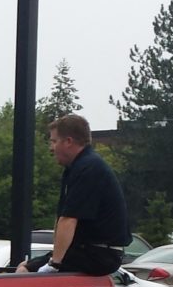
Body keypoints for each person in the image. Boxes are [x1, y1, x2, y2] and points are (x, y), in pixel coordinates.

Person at [16, 114, 129, 276]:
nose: (51, 147)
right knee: (25, 266)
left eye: (54, 141)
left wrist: (54, 264)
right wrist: (52, 260)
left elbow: (68, 219)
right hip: (92, 251)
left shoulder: (88, 168)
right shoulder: (78, 168)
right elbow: (62, 219)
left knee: (25, 272)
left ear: (68, 142)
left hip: (99, 255)